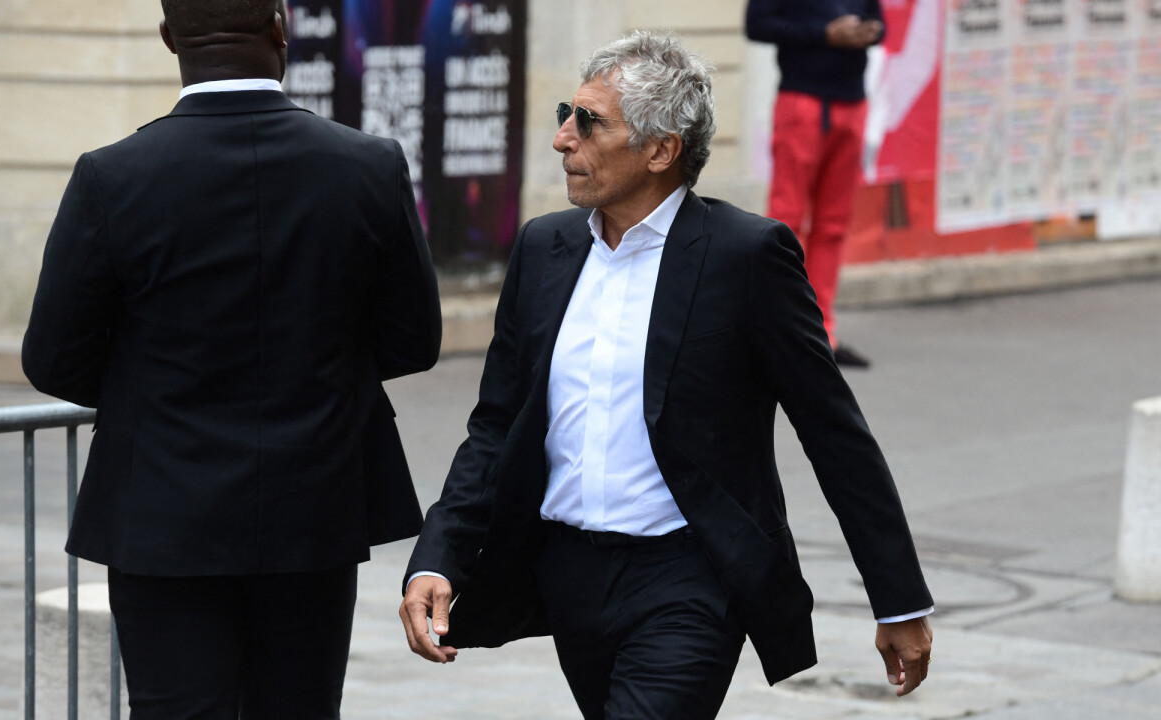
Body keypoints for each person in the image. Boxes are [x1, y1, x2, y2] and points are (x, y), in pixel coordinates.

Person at [398, 30, 932, 720]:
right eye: (568, 114)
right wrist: (437, 559)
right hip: (567, 576)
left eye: (588, 123)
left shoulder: (746, 256)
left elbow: (835, 434)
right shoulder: (545, 248)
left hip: (688, 581)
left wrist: (898, 599)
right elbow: (497, 425)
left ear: (660, 149)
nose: (563, 139)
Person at [21, 1, 441, 717]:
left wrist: (151, 390)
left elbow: (54, 359)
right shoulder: (367, 166)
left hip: (161, 513)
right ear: (281, 28)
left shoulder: (112, 176)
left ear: (167, 39)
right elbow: (413, 340)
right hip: (315, 508)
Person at [746, 0, 885, 368]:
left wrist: (869, 31)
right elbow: (757, 24)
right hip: (802, 100)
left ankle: (821, 335)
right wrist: (824, 34)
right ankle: (773, 329)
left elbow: (879, 21)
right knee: (786, 222)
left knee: (834, 225)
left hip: (852, 102)